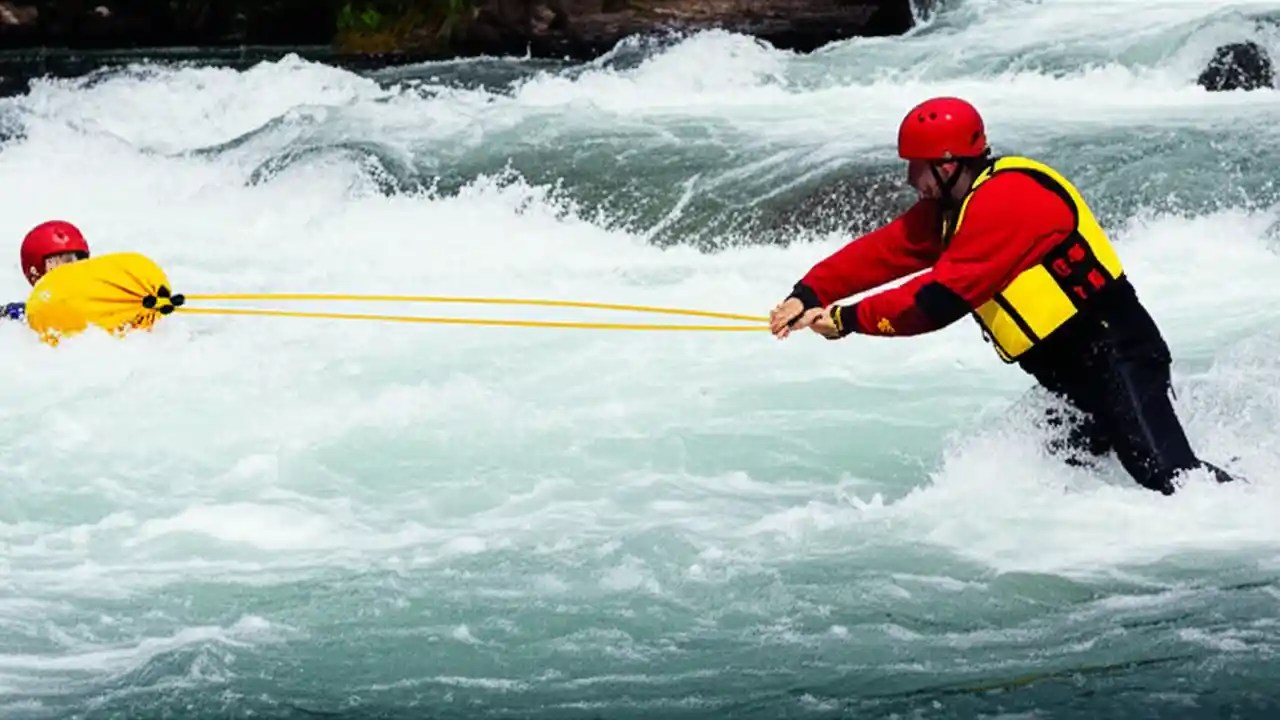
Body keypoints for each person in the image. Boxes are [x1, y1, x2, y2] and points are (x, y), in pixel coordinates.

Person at [769, 96, 1233, 495]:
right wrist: (808, 294)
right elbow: (885, 251)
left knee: (1170, 478)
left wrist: (850, 319)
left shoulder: (1007, 200)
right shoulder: (952, 208)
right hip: (1072, 372)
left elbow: (935, 302)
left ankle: (1250, 516)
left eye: (918, 166)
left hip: (1119, 355)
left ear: (949, 165)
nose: (912, 179)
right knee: (1051, 481)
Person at [4, 220, 91, 321]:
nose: (73, 267)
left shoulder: (102, 299)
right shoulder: (22, 315)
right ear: (35, 272)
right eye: (64, 261)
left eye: (79, 259)